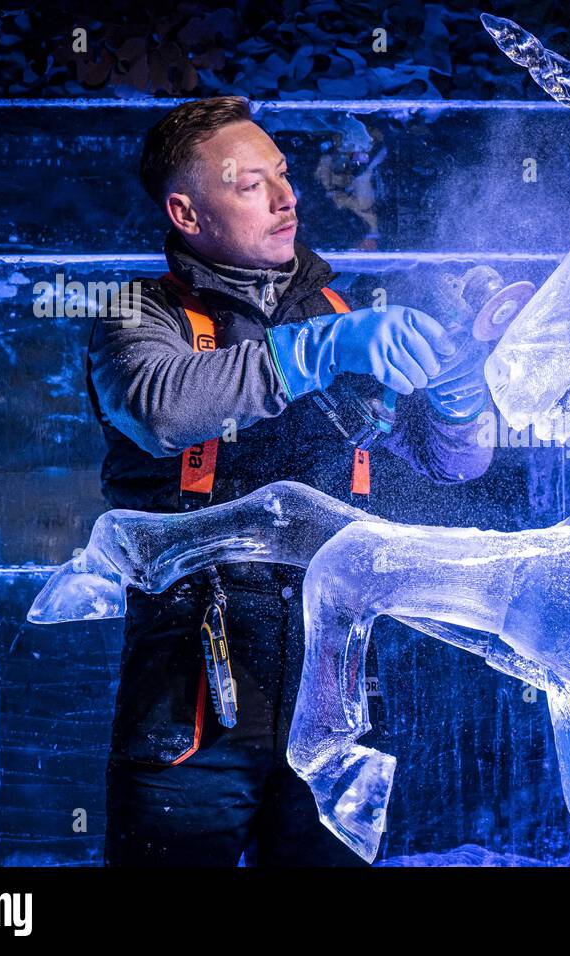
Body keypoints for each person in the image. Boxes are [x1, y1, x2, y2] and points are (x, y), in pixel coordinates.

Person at [86, 95, 493, 866]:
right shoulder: (139, 318)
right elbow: (161, 410)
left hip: (335, 687)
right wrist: (314, 352)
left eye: (283, 175)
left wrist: (460, 396)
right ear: (186, 212)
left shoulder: (343, 314)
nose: (286, 197)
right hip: (191, 698)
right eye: (249, 184)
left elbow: (452, 463)